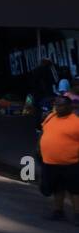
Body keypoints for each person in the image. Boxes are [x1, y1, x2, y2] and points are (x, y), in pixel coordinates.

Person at [39, 95, 79, 223]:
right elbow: (44, 131)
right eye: (56, 105)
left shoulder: (76, 122)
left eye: (61, 105)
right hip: (51, 162)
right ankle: (58, 211)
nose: (58, 108)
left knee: (75, 190)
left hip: (71, 163)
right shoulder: (51, 117)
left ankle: (78, 215)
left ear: (69, 107)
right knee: (57, 188)